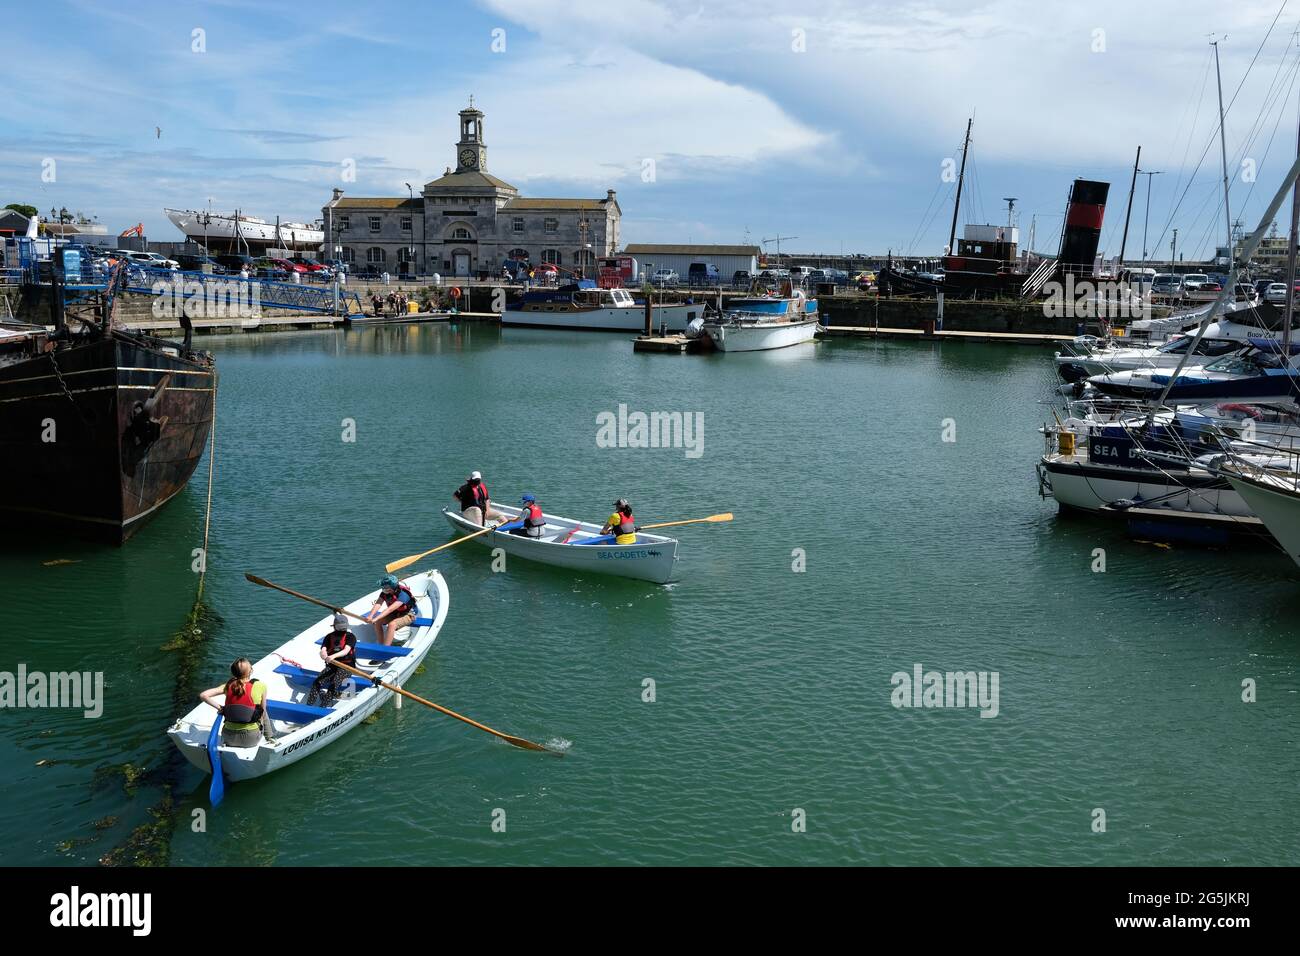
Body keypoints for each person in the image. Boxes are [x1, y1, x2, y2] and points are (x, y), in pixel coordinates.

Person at [200, 658, 275, 747]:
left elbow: (203, 695)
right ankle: (270, 737)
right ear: (250, 671)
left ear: (233, 672)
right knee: (262, 710)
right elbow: (262, 714)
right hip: (250, 740)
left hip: (228, 738)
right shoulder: (260, 686)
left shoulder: (228, 686)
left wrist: (221, 708)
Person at [307, 613, 357, 707]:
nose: (342, 629)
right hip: (332, 666)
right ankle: (308, 706)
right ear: (335, 627)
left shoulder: (350, 637)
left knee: (333, 684)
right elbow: (323, 650)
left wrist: (333, 656)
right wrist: (324, 655)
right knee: (317, 682)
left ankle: (322, 707)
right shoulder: (329, 637)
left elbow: (346, 651)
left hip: (346, 666)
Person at [366, 573, 417, 646]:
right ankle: (380, 644)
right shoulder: (385, 593)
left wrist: (375, 618)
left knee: (392, 625)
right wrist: (370, 616)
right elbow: (378, 604)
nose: (383, 588)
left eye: (385, 587)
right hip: (395, 613)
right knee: (378, 622)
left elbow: (390, 609)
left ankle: (385, 648)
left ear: (392, 587)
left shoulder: (403, 595)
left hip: (408, 614)